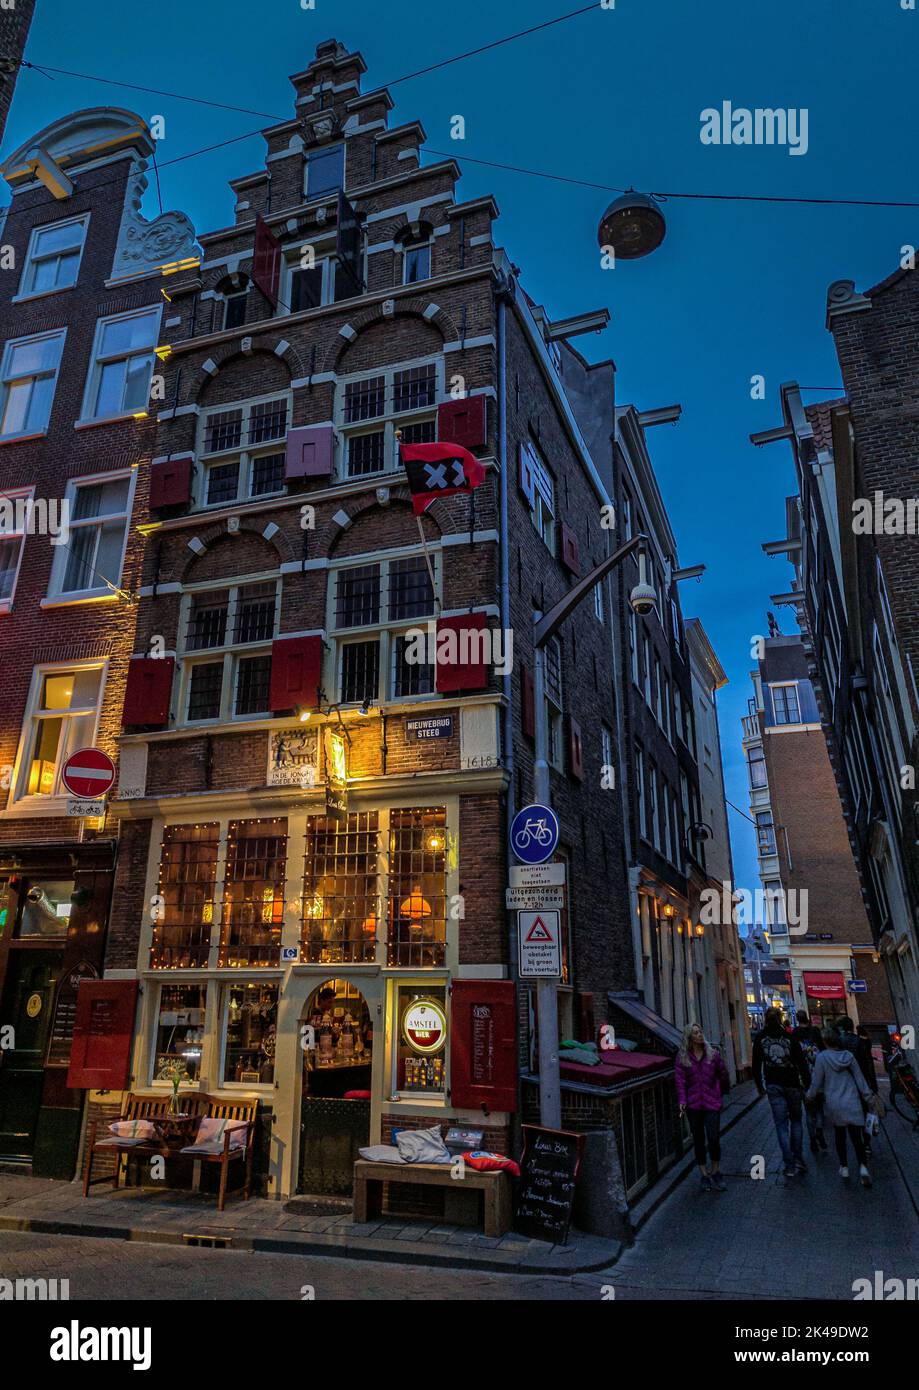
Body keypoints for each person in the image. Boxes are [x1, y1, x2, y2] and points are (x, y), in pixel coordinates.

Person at [806, 1028, 875, 1187]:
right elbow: (860, 1078)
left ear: (825, 1042)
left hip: (834, 1102)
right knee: (856, 1137)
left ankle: (844, 1167)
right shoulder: (848, 1056)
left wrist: (809, 1096)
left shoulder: (822, 1058)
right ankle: (863, 1167)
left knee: (840, 1136)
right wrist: (868, 1097)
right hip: (852, 1100)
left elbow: (816, 1082)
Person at [753, 1006, 811, 1178]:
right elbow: (801, 1063)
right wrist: (808, 1086)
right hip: (792, 1084)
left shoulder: (761, 1038)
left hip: (773, 1085)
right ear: (780, 1018)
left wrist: (759, 1085)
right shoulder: (789, 1037)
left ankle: (789, 1164)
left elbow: (756, 1064)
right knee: (796, 1121)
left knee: (780, 1125)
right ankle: (798, 1158)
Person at [674, 1022, 730, 1192]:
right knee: (698, 1140)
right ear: (689, 1038)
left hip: (711, 1102)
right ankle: (704, 1173)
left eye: (700, 1032)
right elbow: (680, 1081)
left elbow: (722, 1074)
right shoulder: (683, 1058)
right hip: (694, 1105)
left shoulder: (712, 1055)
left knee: (713, 1138)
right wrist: (682, 1101)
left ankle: (716, 1169)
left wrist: (721, 1092)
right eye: (695, 1033)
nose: (699, 1035)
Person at [792, 1010, 828, 1154]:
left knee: (808, 1110)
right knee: (819, 1108)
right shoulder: (815, 1032)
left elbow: (792, 1057)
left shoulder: (794, 1034)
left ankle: (812, 1138)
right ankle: (819, 1129)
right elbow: (824, 1051)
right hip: (818, 1075)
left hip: (803, 1077)